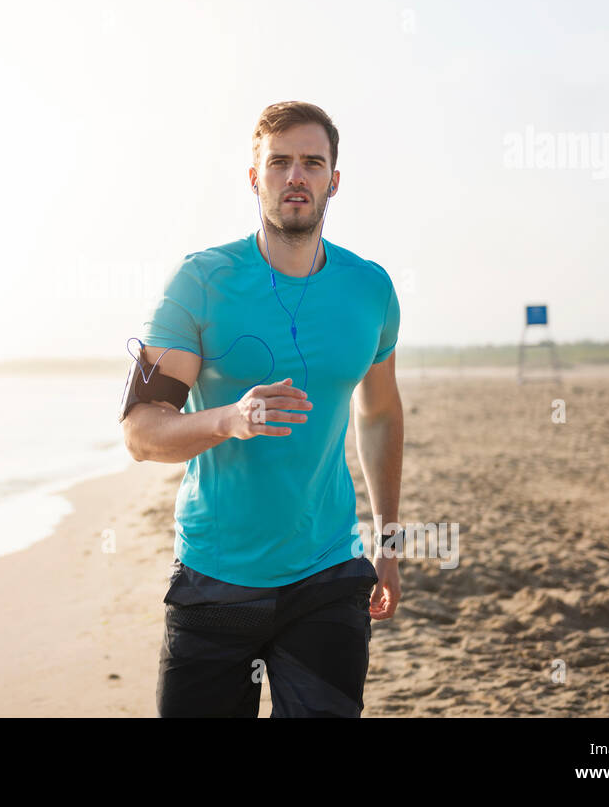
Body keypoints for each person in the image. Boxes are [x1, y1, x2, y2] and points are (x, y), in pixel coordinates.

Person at [120, 100, 404, 717]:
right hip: (217, 578)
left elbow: (378, 412)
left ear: (334, 179)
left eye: (312, 162)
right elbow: (142, 433)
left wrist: (388, 539)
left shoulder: (371, 289)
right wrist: (228, 418)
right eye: (279, 163)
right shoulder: (199, 282)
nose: (295, 176)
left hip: (328, 572)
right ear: (255, 177)